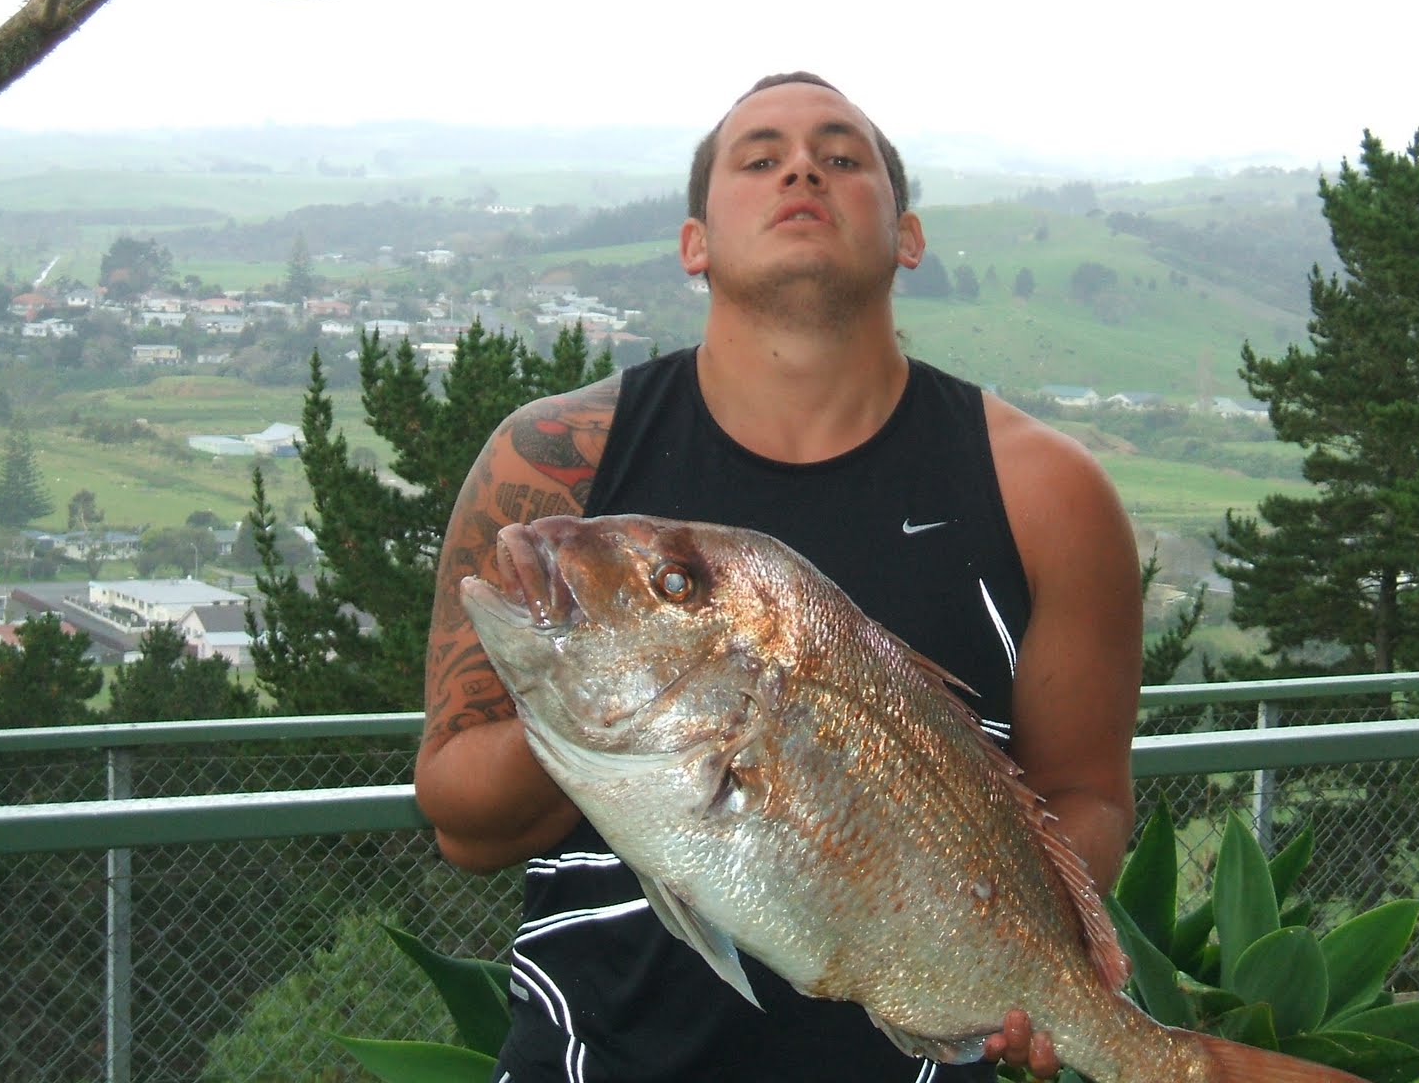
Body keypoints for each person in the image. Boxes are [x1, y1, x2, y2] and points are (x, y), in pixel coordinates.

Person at [416, 72, 1143, 1082]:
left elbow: (1086, 795)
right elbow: (458, 819)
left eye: (843, 158)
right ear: (693, 244)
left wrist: (1032, 973)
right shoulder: (553, 467)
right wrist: (640, 700)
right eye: (758, 159)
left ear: (908, 237)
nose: (801, 167)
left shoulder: (1050, 494)